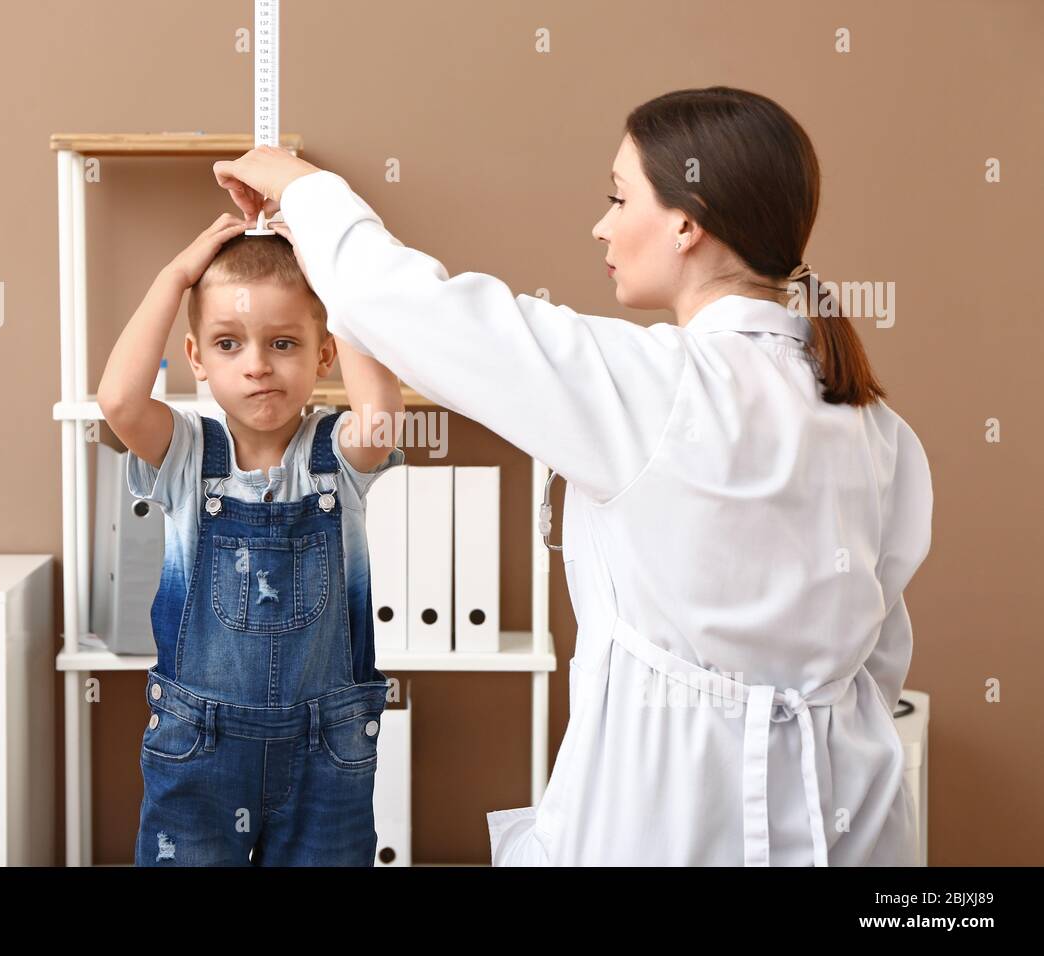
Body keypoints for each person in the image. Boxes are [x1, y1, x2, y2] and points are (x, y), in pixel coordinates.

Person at [212, 85, 934, 866]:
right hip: (854, 820)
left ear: (687, 222)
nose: (602, 224)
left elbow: (418, 312)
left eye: (620, 198)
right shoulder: (875, 425)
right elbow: (880, 655)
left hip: (672, 824)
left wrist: (305, 188)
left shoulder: (658, 389)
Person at [98, 223, 405, 865]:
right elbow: (120, 401)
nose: (258, 364)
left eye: (284, 342)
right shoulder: (186, 453)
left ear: (325, 354)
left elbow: (379, 414)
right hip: (199, 751)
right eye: (228, 343)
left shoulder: (338, 457)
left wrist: (334, 281)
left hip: (326, 756)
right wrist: (175, 276)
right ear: (196, 358)